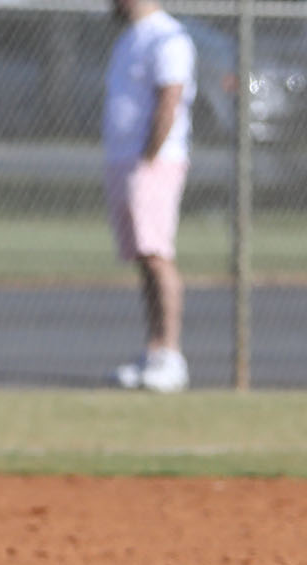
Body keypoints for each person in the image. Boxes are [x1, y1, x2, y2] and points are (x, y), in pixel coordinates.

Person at [103, 0, 195, 392]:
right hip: (124, 160)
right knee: (143, 256)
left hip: (152, 162)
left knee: (158, 255)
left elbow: (169, 99)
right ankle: (154, 349)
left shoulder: (168, 36)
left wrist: (149, 157)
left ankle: (171, 355)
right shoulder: (129, 39)